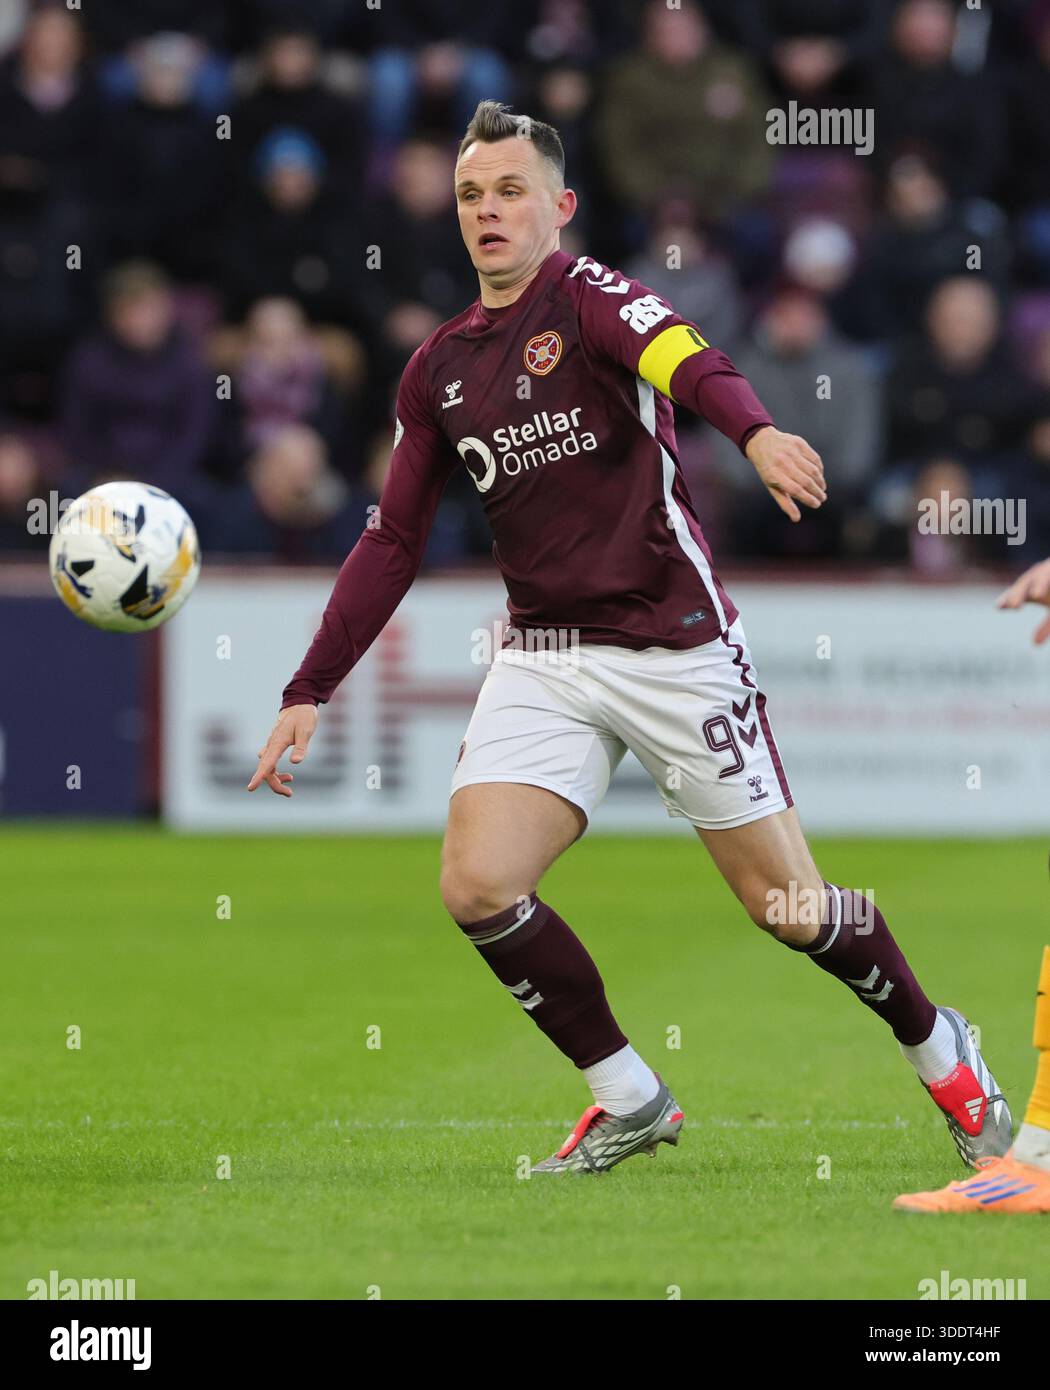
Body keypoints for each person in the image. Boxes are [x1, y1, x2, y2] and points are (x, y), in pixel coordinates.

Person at [248, 100, 1012, 1176]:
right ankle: (631, 1098)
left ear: (558, 206)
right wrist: (309, 684)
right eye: (471, 195)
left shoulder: (590, 295)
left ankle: (944, 1049)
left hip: (674, 643)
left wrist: (754, 429)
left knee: (788, 908)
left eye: (510, 190)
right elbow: (392, 541)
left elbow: (687, 355)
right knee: (475, 885)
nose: (488, 211)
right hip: (547, 656)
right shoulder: (438, 370)